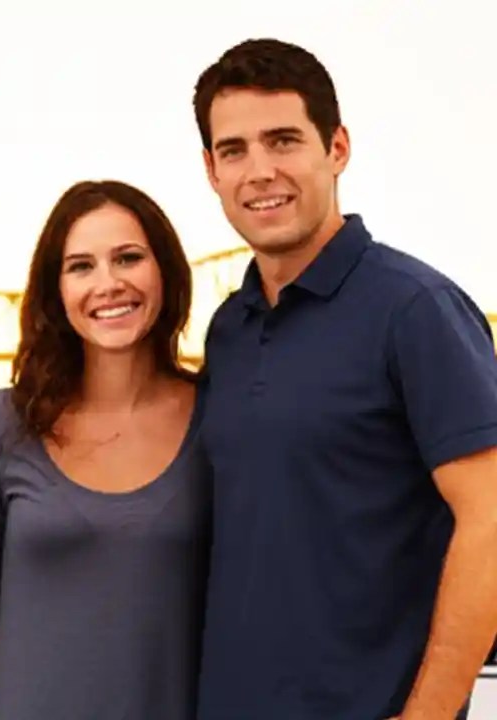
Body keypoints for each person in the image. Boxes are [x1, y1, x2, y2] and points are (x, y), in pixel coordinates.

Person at [191, 38, 497, 720]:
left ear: (337, 148)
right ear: (211, 171)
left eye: (283, 141)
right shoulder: (228, 330)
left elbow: (492, 518)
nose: (260, 171)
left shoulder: (413, 309)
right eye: (234, 150)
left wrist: (429, 715)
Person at [0, 179, 213, 720]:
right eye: (81, 266)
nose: (107, 284)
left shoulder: (220, 419)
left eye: (128, 258)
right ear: (55, 291)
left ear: (166, 272)